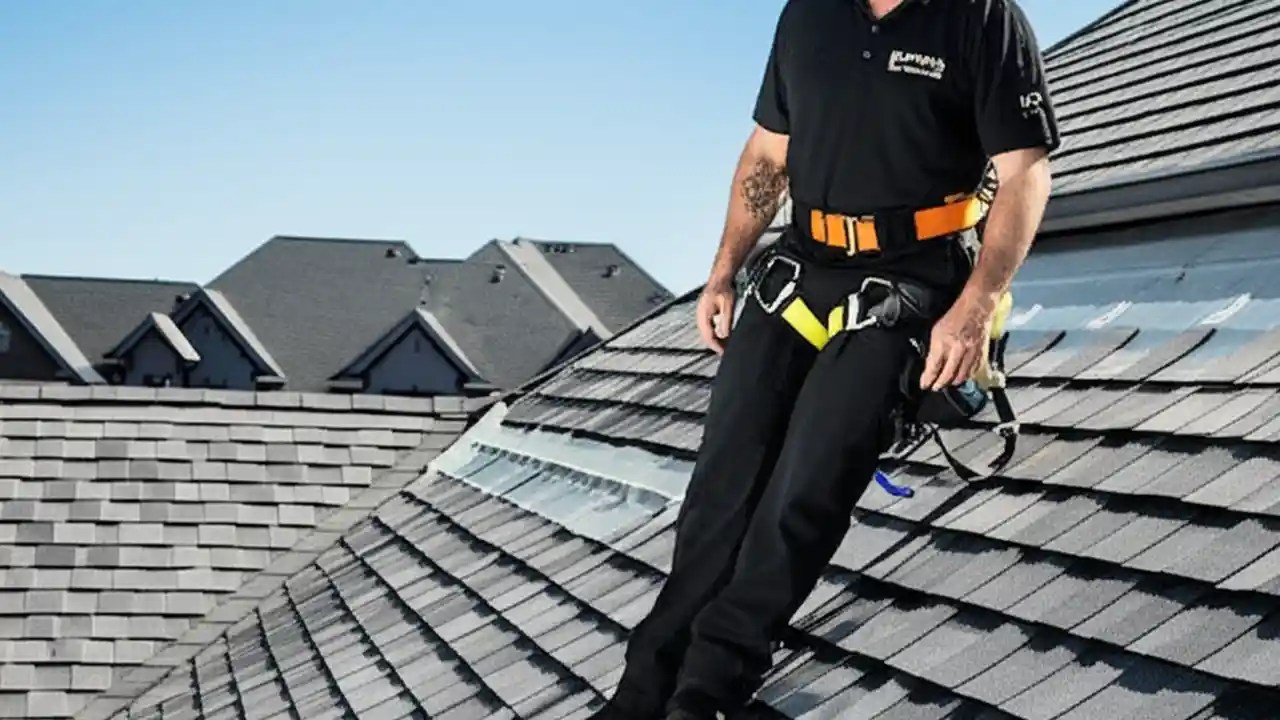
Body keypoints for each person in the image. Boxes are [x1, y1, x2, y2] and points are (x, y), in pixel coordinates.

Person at [591, 0, 1058, 717]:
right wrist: (723, 272)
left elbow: (1024, 172)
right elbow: (767, 154)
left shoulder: (982, 18)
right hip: (800, 270)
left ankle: (707, 693)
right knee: (720, 490)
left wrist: (974, 305)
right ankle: (641, 694)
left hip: (909, 280)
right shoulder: (808, 14)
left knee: (800, 494)